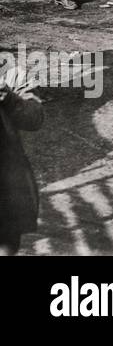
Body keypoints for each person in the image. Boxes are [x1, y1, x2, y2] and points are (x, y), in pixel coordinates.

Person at [0, 66, 43, 255]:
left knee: (6, 243)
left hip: (5, 187)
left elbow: (35, 118)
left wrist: (10, 99)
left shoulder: (11, 72)